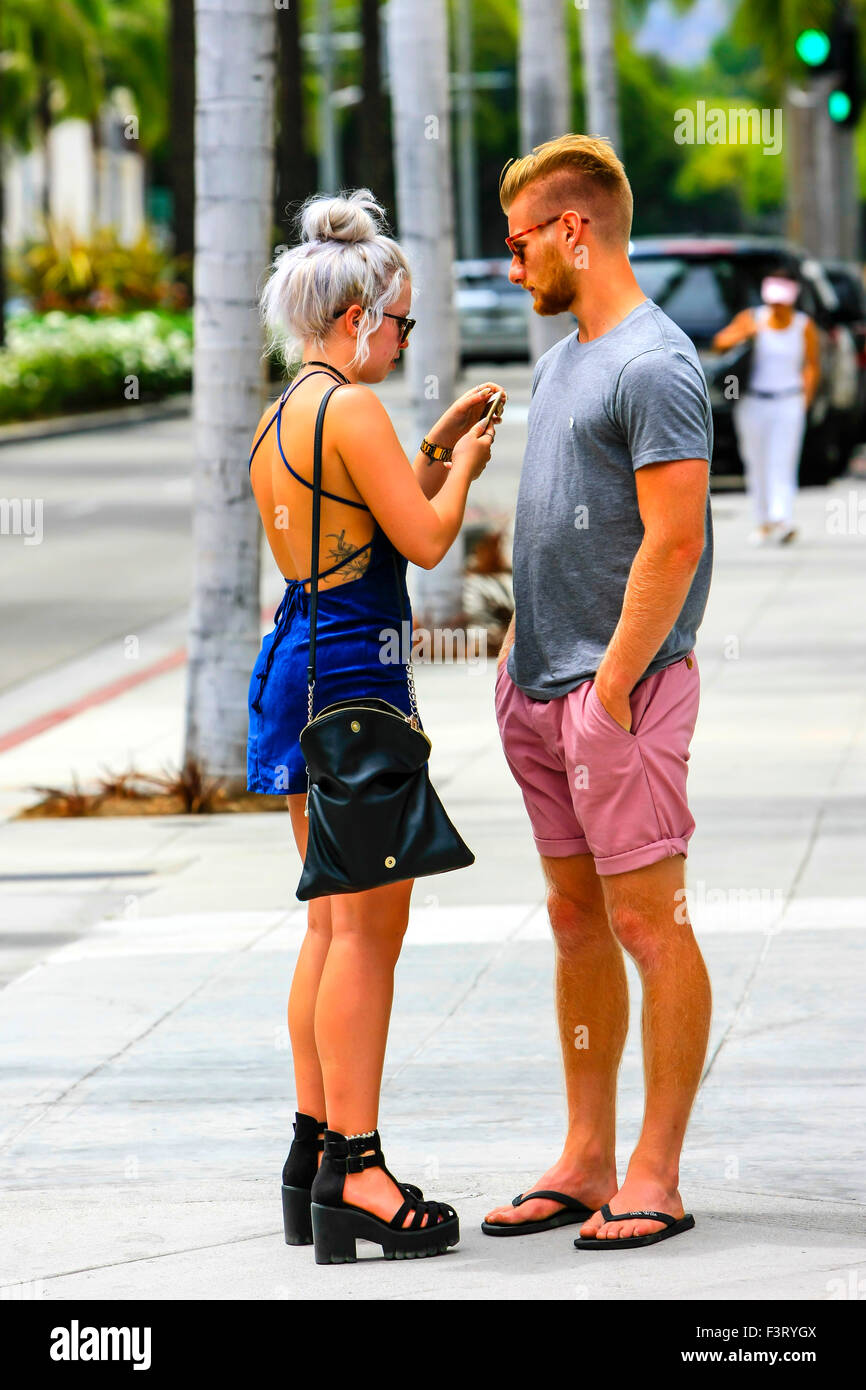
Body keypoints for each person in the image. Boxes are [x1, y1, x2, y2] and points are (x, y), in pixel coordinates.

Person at [246, 188, 503, 1263]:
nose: (399, 340)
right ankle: (358, 1168)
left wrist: (434, 444)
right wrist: (469, 473)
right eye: (396, 323)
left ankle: (312, 1149)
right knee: (367, 933)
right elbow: (429, 540)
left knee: (327, 924)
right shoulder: (351, 408)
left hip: (298, 674)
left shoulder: (286, 409)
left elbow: (364, 521)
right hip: (356, 687)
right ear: (357, 318)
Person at [483, 134, 714, 1249]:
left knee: (646, 921)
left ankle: (653, 1171)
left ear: (575, 230)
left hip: (616, 694)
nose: (510, 259)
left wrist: (611, 689)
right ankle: (583, 1156)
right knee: (576, 919)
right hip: (540, 688)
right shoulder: (566, 353)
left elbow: (671, 543)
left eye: (521, 238)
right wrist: (521, 651)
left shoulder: (653, 365)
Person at [713, 266, 820, 545]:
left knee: (782, 461)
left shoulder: (802, 325)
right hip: (752, 402)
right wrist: (744, 334)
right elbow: (720, 343)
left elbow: (811, 365)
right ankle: (763, 521)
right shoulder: (752, 318)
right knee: (756, 460)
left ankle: (782, 518)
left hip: (788, 401)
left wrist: (804, 399)